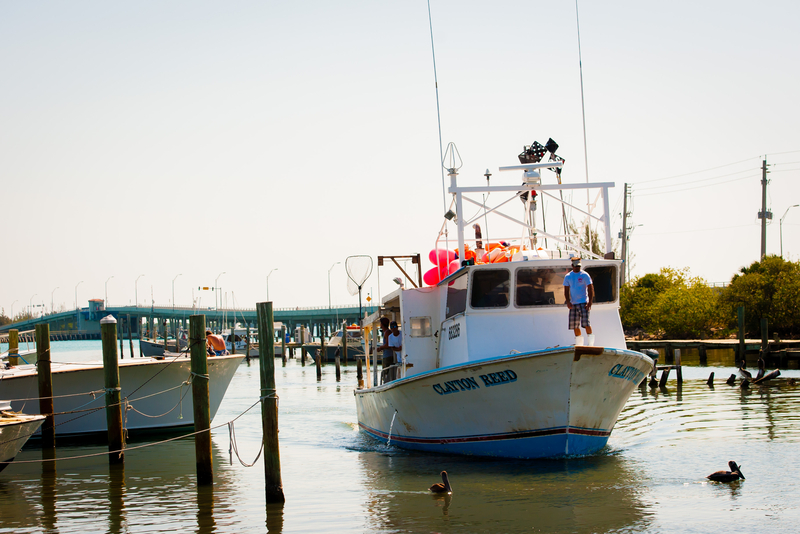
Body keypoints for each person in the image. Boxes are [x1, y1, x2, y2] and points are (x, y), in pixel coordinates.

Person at [563, 258, 595, 346]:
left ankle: (590, 343)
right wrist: (568, 302)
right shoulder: (568, 276)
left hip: (583, 302)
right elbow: (566, 290)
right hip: (573, 304)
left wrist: (590, 302)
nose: (577, 267)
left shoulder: (585, 275)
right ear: (572, 266)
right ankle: (579, 343)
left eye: (579, 266)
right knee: (574, 325)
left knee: (586, 323)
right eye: (576, 266)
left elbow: (590, 288)